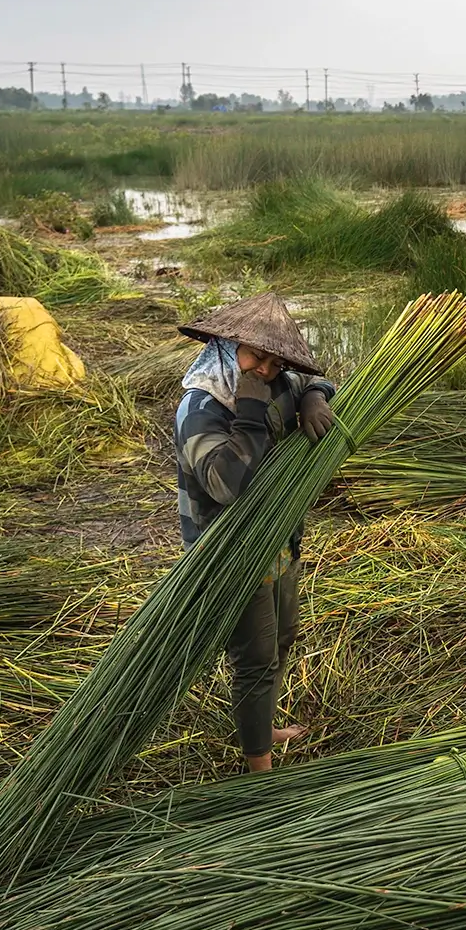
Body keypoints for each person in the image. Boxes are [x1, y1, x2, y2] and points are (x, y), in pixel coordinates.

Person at [173, 293, 336, 772]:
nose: (264, 368)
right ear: (226, 346)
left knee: (284, 637)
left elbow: (315, 378)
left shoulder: (279, 379)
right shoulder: (203, 406)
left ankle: (261, 726)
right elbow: (226, 485)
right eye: (254, 355)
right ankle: (258, 763)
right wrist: (248, 411)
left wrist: (312, 397)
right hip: (230, 552)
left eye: (273, 359)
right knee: (256, 656)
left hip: (279, 540)